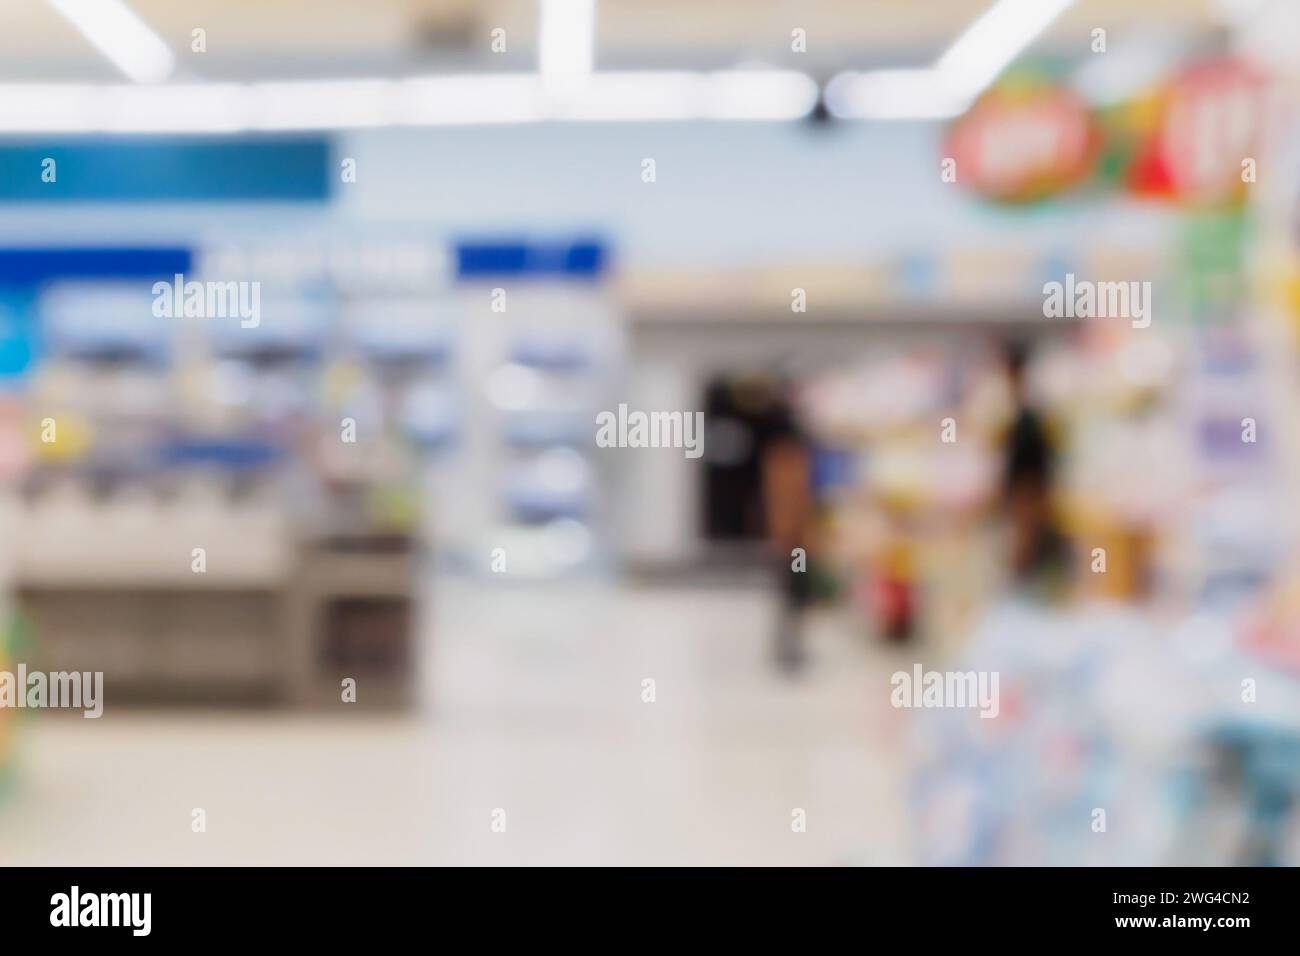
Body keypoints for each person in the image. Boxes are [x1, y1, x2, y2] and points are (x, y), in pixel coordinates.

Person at [1000, 341, 1067, 588]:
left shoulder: (1028, 414)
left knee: (1025, 543)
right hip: (1026, 488)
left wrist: (1027, 492)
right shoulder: (1022, 411)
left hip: (1027, 488)